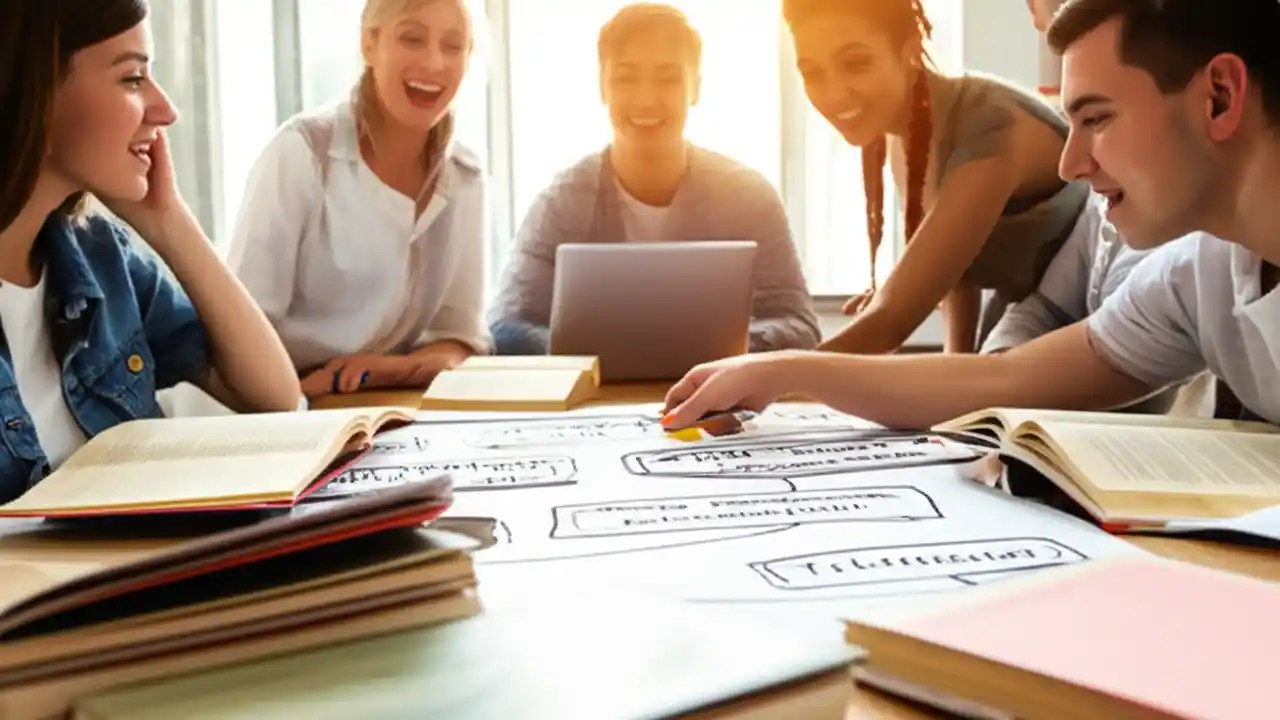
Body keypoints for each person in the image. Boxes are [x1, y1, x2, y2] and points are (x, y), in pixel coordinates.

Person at [662, 0, 1280, 429]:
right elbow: (1000, 380)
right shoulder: (1193, 274)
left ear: (1219, 97)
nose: (1069, 164)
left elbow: (905, 317)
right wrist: (781, 370)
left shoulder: (987, 128)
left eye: (1096, 118)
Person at [0, 0, 300, 501]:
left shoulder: (99, 258)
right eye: (132, 78)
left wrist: (169, 221)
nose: (166, 109)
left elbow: (273, 396)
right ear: (36, 91)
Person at [487, 3, 819, 356]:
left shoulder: (749, 197)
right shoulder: (562, 202)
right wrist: (595, 353)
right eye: (626, 78)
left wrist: (716, 349)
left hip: (718, 398)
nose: (646, 99)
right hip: (597, 401)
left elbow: (800, 325)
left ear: (696, 89)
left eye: (667, 78)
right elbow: (506, 327)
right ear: (603, 87)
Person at [785, 0, 1090, 355]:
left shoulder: (990, 127)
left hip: (1098, 332)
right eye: (811, 73)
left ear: (909, 49)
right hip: (1031, 317)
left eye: (856, 64)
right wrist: (954, 357)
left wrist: (771, 376)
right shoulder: (904, 132)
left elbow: (893, 320)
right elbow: (952, 273)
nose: (833, 92)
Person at [228, 0, 490, 399]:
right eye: (412, 38)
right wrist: (309, 389)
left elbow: (458, 339)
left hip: (382, 404)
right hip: (273, 405)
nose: (435, 63)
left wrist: (389, 371)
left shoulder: (466, 177)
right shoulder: (303, 152)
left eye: (454, 46)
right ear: (370, 43)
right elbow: (239, 335)